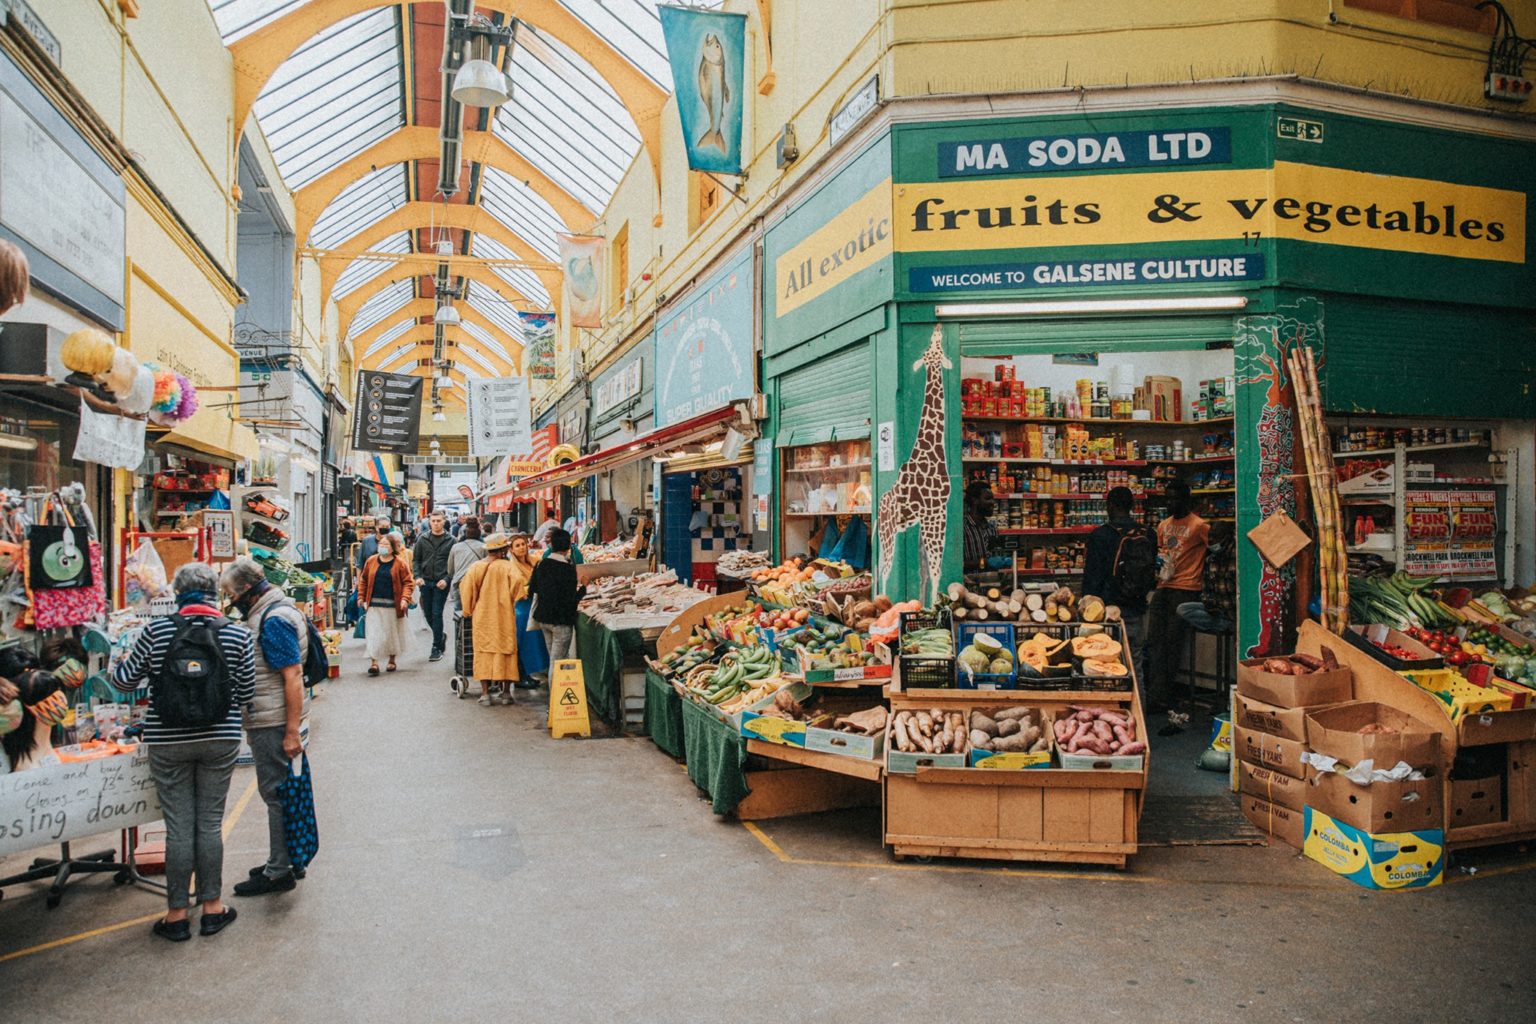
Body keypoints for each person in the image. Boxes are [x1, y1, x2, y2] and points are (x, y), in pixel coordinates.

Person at [111, 562, 256, 941]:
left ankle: (176, 915)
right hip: (220, 739)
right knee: (209, 823)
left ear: (177, 593)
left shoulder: (156, 630)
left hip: (167, 739)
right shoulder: (237, 634)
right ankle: (212, 908)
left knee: (178, 827)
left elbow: (123, 682)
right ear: (214, 593)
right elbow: (247, 692)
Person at [219, 559, 309, 897]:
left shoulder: (272, 620)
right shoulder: (276, 611)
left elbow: (292, 675)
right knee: (284, 791)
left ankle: (278, 871)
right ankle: (286, 857)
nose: (230, 601)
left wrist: (291, 730)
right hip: (275, 716)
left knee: (276, 794)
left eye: (231, 594)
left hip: (273, 720)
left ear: (246, 590)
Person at [1146, 479, 1211, 717]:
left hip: (1186, 588)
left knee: (1172, 643)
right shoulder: (1163, 525)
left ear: (1186, 499)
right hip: (1164, 586)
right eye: (1167, 498)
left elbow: (1213, 549)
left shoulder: (1199, 525)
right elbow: (1162, 553)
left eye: (1174, 498)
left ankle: (1162, 696)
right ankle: (1155, 695)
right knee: (1155, 642)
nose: (1169, 503)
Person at [1082, 486, 1155, 685]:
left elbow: (1092, 576)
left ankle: (1112, 702)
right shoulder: (1148, 533)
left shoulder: (1100, 535)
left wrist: (1086, 604)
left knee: (1101, 667)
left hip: (1105, 612)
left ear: (1110, 506)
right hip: (1136, 608)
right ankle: (1139, 704)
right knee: (1135, 665)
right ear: (1132, 506)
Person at [459, 533, 525, 706]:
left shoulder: (476, 567)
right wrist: (511, 598)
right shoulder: (508, 566)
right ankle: (506, 693)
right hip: (504, 616)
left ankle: (485, 693)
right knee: (507, 650)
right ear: (504, 549)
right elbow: (519, 584)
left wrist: (467, 610)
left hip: (483, 616)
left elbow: (466, 590)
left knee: (483, 651)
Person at [357, 531, 415, 675]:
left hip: (392, 605)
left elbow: (408, 583)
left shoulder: (400, 563)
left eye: (386, 544)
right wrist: (361, 597)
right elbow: (364, 580)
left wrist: (404, 599)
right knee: (373, 633)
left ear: (393, 548)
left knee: (391, 633)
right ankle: (374, 663)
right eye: (381, 544)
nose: (382, 547)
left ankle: (391, 660)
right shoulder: (371, 561)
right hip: (373, 604)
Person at [527, 527, 585, 665]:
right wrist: (583, 588)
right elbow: (571, 601)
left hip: (543, 618)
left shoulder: (541, 564)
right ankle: (556, 680)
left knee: (554, 658)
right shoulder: (568, 569)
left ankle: (558, 679)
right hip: (561, 621)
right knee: (558, 663)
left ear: (551, 545)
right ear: (568, 546)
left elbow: (532, 589)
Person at [506, 533, 550, 688]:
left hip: (535, 605)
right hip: (521, 608)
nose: (521, 548)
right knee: (523, 642)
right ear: (511, 550)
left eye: (523, 544)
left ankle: (530, 673)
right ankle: (521, 675)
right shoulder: (511, 567)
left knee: (535, 641)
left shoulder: (535, 561)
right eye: (517, 545)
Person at [1178, 521, 1237, 634]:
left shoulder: (1237, 557)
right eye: (1210, 536)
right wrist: (1209, 603)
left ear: (1227, 537)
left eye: (1215, 537)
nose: (1210, 540)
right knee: (1183, 609)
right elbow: (1206, 589)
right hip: (1219, 609)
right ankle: (1225, 625)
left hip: (1234, 610)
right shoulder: (1211, 559)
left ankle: (1229, 624)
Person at [413, 510, 456, 662]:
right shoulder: (422, 539)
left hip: (440, 583)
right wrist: (417, 576)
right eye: (433, 521)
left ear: (444, 522)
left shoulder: (451, 541)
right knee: (428, 613)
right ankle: (440, 635)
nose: (436, 523)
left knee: (437, 613)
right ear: (429, 522)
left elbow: (454, 564)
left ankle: (436, 646)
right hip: (425, 582)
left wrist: (447, 579)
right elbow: (416, 560)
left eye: (439, 521)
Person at [962, 480, 999, 573]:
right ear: (975, 500)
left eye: (992, 499)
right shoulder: (962, 528)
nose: (992, 502)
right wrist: (983, 562)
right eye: (988, 499)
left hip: (991, 580)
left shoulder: (991, 529)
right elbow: (954, 564)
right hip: (968, 581)